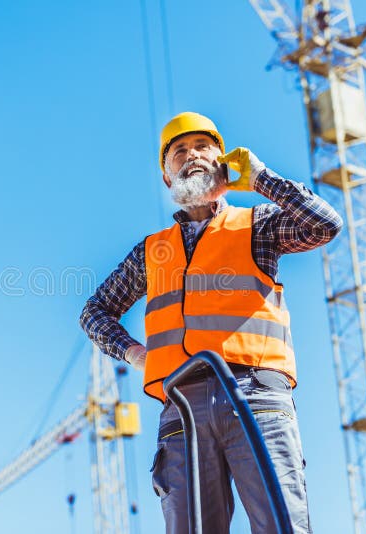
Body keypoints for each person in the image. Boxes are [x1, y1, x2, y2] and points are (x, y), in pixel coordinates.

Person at [79, 112, 343, 533]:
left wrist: (259, 178)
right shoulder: (151, 252)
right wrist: (135, 354)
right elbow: (94, 313)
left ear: (221, 159)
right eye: (179, 151)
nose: (192, 156)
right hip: (181, 408)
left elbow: (325, 224)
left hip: (255, 396)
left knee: (283, 525)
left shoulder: (257, 225)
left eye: (203, 146)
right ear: (167, 177)